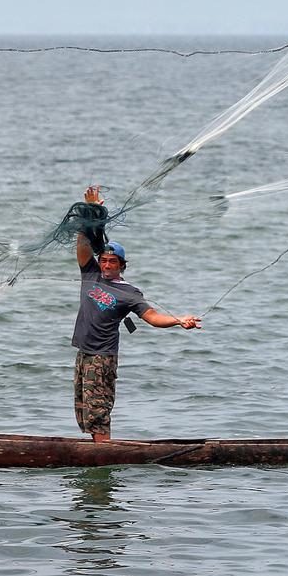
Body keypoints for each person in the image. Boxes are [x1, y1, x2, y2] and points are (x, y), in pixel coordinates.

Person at [72, 185, 202, 443]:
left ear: (122, 266)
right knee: (84, 410)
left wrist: (177, 321)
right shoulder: (90, 273)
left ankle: (103, 452)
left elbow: (152, 317)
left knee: (99, 409)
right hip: (83, 353)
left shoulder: (129, 293)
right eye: (105, 260)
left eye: (113, 262)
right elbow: (82, 242)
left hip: (102, 357)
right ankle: (97, 449)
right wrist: (90, 211)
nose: (107, 265)